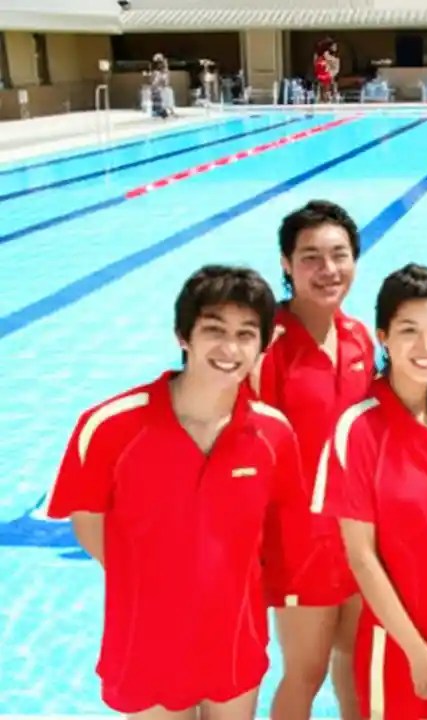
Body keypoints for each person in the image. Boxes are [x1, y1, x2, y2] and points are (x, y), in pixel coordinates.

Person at [47, 265, 307, 718]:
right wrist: (154, 578)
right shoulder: (111, 427)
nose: (230, 349)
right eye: (214, 330)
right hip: (147, 644)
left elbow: (277, 534)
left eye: (246, 334)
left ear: (263, 345)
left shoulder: (273, 434)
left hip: (234, 641)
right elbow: (88, 523)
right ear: (182, 335)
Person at [315, 264, 427, 720]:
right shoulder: (359, 429)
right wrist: (415, 649)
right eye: (409, 331)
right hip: (398, 643)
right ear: (383, 337)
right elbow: (361, 556)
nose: (426, 346)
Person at [254, 200, 375, 720]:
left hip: (358, 538)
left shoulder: (360, 338)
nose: (327, 270)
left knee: (354, 664)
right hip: (297, 542)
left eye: (339, 255)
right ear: (286, 263)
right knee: (306, 672)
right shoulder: (269, 344)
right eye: (310, 257)